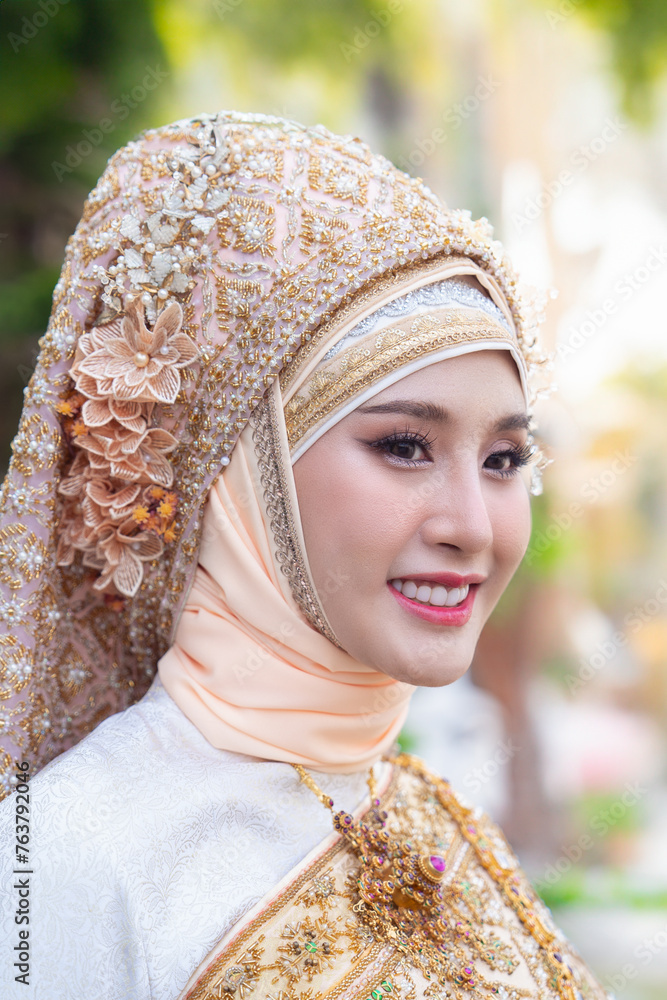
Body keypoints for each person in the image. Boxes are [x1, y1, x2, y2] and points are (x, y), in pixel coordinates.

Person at [0, 111, 609, 999]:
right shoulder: (69, 853)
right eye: (404, 445)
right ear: (241, 473)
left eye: (503, 460)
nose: (473, 527)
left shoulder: (429, 810)